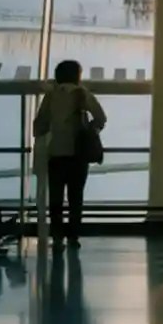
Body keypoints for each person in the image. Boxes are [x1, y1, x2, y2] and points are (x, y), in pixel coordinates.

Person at [33, 60, 106, 248]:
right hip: (78, 154)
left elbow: (40, 123)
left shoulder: (51, 96)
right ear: (77, 76)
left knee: (56, 198)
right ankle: (73, 236)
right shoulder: (83, 94)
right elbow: (100, 117)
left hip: (56, 152)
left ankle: (57, 237)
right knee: (76, 197)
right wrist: (90, 129)